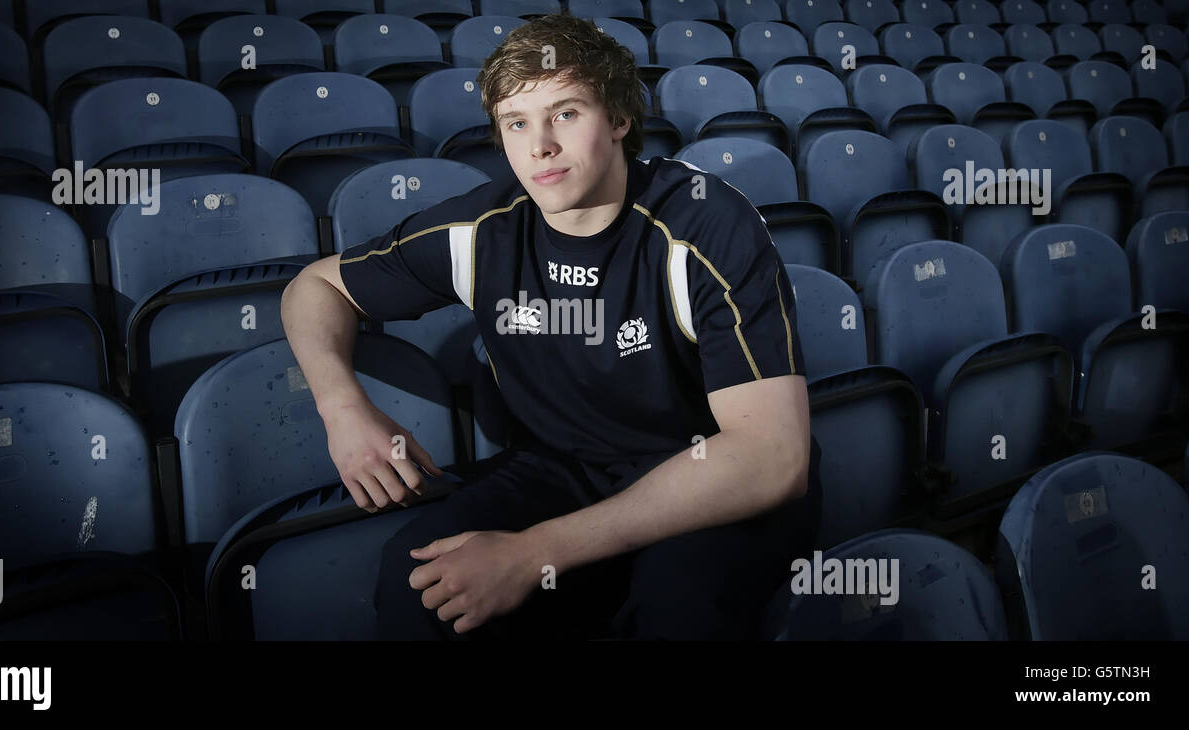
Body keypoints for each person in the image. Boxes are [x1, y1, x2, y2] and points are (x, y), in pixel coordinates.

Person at [280, 13, 821, 640]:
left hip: (709, 474)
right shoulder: (481, 231)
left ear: (619, 120)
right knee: (420, 589)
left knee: (681, 610)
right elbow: (313, 287)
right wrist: (342, 407)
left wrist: (533, 553)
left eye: (565, 113)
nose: (539, 145)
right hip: (563, 471)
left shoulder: (706, 223)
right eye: (516, 122)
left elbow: (772, 457)